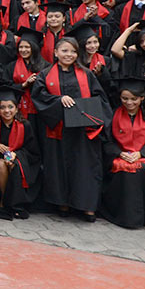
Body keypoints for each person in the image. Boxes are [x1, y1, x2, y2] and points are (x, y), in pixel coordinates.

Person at [32, 36, 110, 221]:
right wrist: (58, 100)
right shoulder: (45, 74)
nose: (69, 54)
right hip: (58, 128)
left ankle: (87, 207)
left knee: (85, 167)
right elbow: (39, 96)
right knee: (60, 167)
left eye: (73, 51)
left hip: (83, 131)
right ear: (55, 52)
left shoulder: (87, 74)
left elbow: (100, 98)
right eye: (65, 51)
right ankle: (63, 203)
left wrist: (92, 116)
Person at [100, 78, 145, 232]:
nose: (129, 102)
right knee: (124, 168)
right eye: (125, 98)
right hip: (119, 156)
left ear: (142, 98)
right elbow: (106, 142)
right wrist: (119, 153)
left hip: (144, 156)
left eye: (134, 99)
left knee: (140, 168)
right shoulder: (112, 116)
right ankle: (124, 216)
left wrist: (141, 154)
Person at [0, 86, 41, 220]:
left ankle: (11, 203)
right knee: (1, 163)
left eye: (10, 107)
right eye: (3, 107)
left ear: (16, 109)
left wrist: (17, 155)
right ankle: (6, 201)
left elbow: (33, 152)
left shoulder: (25, 125)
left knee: (12, 164)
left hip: (19, 161)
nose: (7, 111)